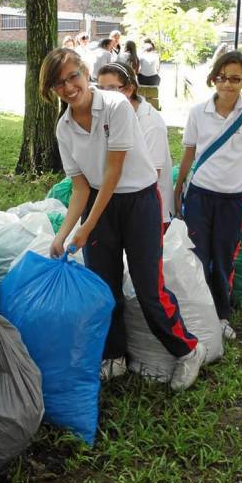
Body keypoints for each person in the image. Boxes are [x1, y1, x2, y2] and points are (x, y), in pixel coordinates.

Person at [40, 48, 205, 392]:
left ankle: (189, 349)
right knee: (105, 286)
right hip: (100, 206)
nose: (69, 87)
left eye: (73, 76)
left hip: (138, 202)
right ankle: (114, 355)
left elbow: (113, 173)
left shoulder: (115, 106)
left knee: (149, 289)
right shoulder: (64, 128)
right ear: (52, 91)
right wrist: (63, 233)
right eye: (59, 83)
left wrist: (86, 228)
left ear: (86, 73)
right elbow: (81, 187)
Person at [174, 51, 242, 336]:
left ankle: (220, 315)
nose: (227, 85)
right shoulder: (197, 112)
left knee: (224, 256)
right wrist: (180, 184)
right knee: (198, 256)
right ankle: (196, 312)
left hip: (231, 200)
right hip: (199, 196)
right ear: (213, 78)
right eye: (222, 78)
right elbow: (189, 151)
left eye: (235, 79)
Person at [97, 62, 174, 227]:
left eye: (110, 88)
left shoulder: (150, 123)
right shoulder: (108, 115)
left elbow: (153, 175)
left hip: (148, 211)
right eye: (100, 88)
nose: (103, 95)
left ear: (129, 89)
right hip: (119, 203)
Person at [137, 38, 161, 110]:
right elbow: (157, 69)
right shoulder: (156, 56)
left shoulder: (140, 56)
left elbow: (138, 69)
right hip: (154, 80)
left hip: (142, 80)